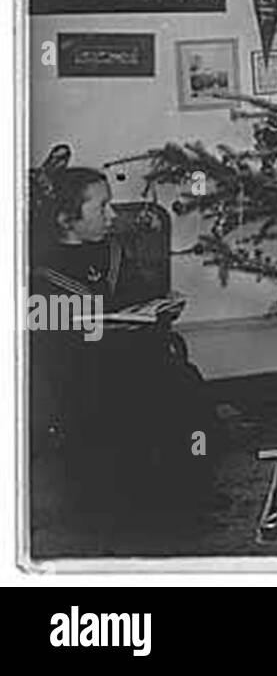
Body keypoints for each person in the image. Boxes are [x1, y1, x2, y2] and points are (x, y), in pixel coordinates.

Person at [28, 157, 219, 529]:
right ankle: (142, 501)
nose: (113, 215)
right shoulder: (42, 270)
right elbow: (48, 338)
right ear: (67, 219)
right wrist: (104, 328)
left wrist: (163, 305)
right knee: (130, 406)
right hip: (84, 375)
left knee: (188, 395)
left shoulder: (112, 251)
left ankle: (192, 485)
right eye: (101, 206)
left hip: (137, 359)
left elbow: (141, 296)